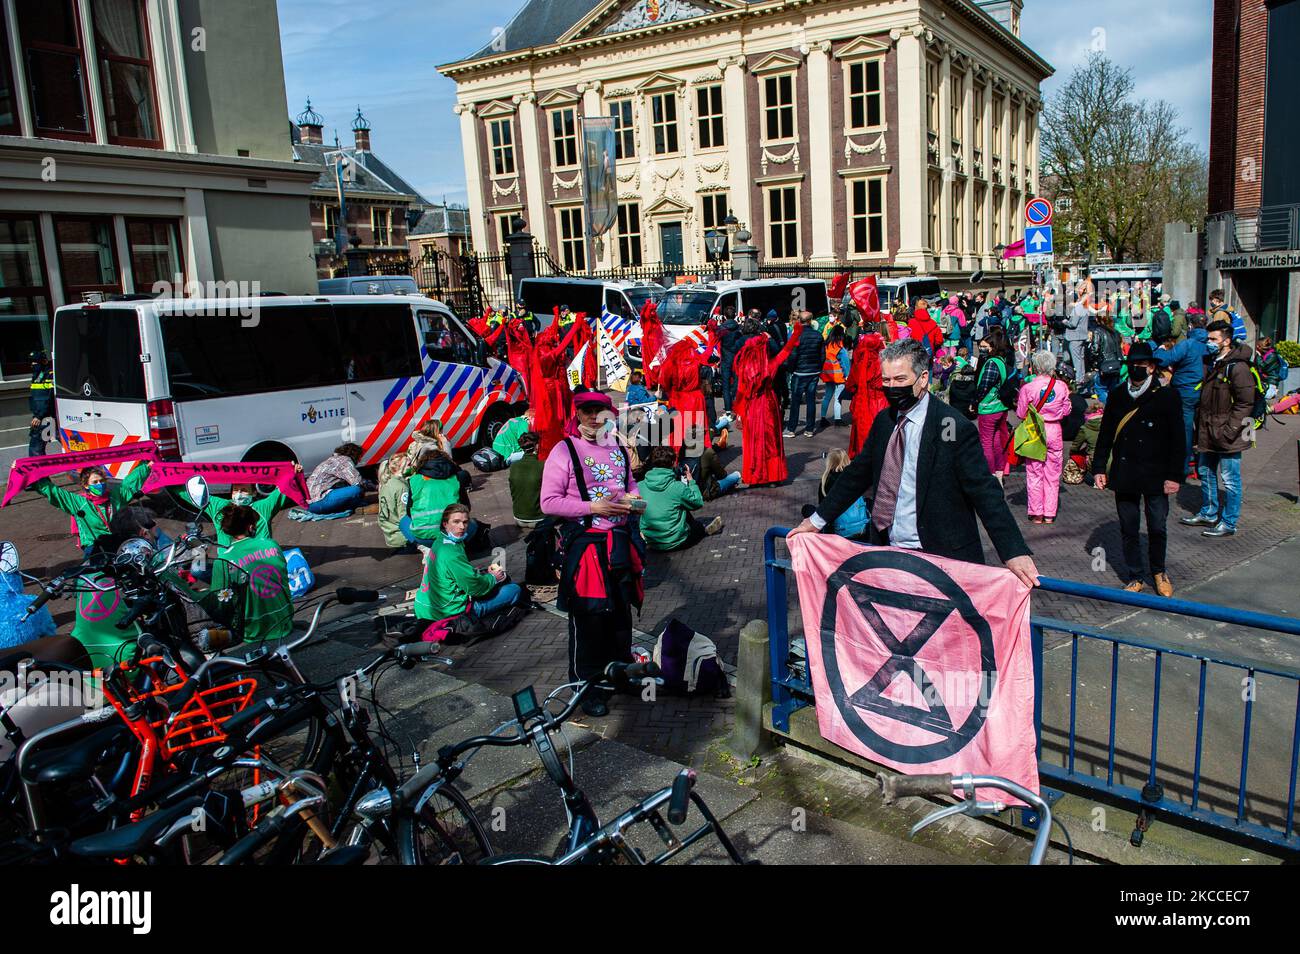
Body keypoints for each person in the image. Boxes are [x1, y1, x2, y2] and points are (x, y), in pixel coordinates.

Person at [788, 339, 1039, 587]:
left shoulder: (951, 426)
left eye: (900, 379)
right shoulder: (884, 421)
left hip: (940, 557)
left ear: (923, 379)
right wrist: (816, 520)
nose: (891, 387)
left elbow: (984, 491)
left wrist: (1013, 550)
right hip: (889, 551)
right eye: (886, 380)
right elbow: (857, 474)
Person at [540, 391, 643, 717]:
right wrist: (592, 507)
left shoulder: (618, 448)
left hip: (619, 543)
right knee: (589, 619)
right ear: (578, 414)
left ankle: (621, 675)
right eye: (587, 412)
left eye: (600, 411)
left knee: (621, 616)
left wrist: (634, 501)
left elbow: (632, 488)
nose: (594, 418)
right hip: (586, 547)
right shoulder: (564, 450)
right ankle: (587, 688)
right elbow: (548, 502)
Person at [1090, 342, 1185, 595]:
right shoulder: (1118, 395)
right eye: (1132, 364)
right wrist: (1099, 468)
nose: (1136, 369)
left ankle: (1159, 572)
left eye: (1141, 365)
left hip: (1156, 472)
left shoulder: (1167, 395)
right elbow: (1106, 434)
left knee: (1157, 526)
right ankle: (1135, 575)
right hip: (1126, 472)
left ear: (1152, 367)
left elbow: (1178, 439)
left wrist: (1175, 476)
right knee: (1129, 528)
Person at [1180, 320, 1256, 538]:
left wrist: (1230, 430)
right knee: (1205, 471)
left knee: (1230, 479)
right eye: (1208, 339)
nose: (1210, 343)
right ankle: (1209, 512)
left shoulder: (1238, 367)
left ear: (1227, 341)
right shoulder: (1214, 363)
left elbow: (1245, 403)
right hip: (1209, 430)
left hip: (1228, 433)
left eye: (1214, 339)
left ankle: (1229, 522)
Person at [415, 503, 527, 625]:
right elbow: (474, 588)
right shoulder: (452, 554)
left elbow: (454, 574)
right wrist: (493, 578)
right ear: (445, 524)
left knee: (485, 576)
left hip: (423, 607)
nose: (462, 527)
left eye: (465, 522)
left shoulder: (439, 541)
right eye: (456, 522)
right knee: (514, 590)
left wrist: (478, 573)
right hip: (447, 613)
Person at [33, 460, 153, 556]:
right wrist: (32, 477)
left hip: (118, 541)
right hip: (95, 546)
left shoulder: (116, 496)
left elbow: (130, 483)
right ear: (86, 485)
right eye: (95, 482)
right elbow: (55, 493)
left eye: (102, 481)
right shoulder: (79, 502)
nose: (100, 484)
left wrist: (147, 465)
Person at [735, 321, 803, 486]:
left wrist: (739, 412)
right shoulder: (769, 366)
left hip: (751, 406)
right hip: (768, 403)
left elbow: (741, 392)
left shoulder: (744, 369)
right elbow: (785, 352)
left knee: (753, 441)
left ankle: (755, 477)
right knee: (771, 441)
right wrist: (795, 335)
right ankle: (773, 477)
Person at [217, 504, 294, 645]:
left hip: (251, 632)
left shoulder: (224, 559)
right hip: (284, 621)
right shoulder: (271, 544)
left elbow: (220, 601)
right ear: (251, 527)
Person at [1015, 350, 1070, 524]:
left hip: (1036, 431)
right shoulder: (1061, 386)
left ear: (1035, 367)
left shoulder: (1028, 388)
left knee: (1034, 473)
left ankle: (1037, 512)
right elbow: (1066, 410)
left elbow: (1020, 413)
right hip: (1054, 430)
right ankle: (1049, 513)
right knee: (1052, 474)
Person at [1155, 311, 1213, 478]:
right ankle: (1203, 468)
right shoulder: (1211, 344)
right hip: (1205, 390)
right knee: (1203, 430)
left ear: (1190, 326)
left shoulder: (1188, 344)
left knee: (1185, 431)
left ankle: (1183, 467)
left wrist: (1159, 350)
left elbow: (1165, 360)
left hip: (1186, 390)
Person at [638, 446, 723, 551]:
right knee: (696, 524)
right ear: (673, 463)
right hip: (676, 541)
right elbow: (698, 502)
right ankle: (703, 529)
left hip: (652, 541)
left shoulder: (640, 486)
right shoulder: (677, 487)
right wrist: (691, 481)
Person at [407, 447, 472, 542]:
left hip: (423, 535)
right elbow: (466, 507)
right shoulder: (456, 478)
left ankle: (417, 545)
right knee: (472, 524)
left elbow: (409, 511)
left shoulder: (414, 480)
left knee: (403, 521)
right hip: (452, 533)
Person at [974, 327, 1014, 478]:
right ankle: (999, 472)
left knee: (986, 443)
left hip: (988, 407)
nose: (981, 349)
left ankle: (989, 474)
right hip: (1000, 407)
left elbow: (984, 386)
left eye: (984, 347)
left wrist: (975, 401)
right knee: (996, 441)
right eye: (980, 346)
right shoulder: (1001, 361)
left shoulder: (991, 363)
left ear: (992, 347)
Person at [846, 331, 887, 457]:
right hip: (882, 402)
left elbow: (850, 385)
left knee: (864, 432)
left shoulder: (859, 361)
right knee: (882, 432)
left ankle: (863, 456)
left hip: (863, 402)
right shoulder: (884, 362)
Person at [784, 312, 823, 437]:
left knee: (795, 401)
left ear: (800, 321)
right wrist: (818, 368)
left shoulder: (797, 336)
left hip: (800, 372)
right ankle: (809, 429)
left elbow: (793, 355)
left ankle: (791, 429)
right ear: (810, 321)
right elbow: (822, 355)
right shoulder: (818, 335)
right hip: (813, 371)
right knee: (811, 400)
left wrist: (791, 369)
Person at [306, 443, 371, 515]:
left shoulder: (333, 460)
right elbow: (358, 482)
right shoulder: (344, 460)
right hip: (319, 502)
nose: (360, 460)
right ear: (355, 455)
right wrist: (376, 486)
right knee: (356, 489)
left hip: (309, 504)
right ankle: (352, 505)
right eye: (360, 457)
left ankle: (350, 505)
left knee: (346, 487)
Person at [508, 431, 545, 529]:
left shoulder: (514, 466)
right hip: (539, 519)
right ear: (537, 446)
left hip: (518, 518)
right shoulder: (543, 465)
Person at [818, 326, 852, 430]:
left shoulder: (826, 345)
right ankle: (838, 419)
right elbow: (845, 363)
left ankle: (823, 418)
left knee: (827, 396)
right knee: (838, 398)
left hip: (828, 375)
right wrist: (848, 375)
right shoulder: (840, 348)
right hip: (839, 376)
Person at [27, 351, 54, 457]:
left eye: (35, 361)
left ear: (44, 361)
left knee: (36, 449)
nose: (32, 364)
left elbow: (50, 399)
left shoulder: (50, 375)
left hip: (49, 418)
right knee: (36, 448)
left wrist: (39, 416)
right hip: (41, 418)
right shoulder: (37, 377)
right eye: (31, 362)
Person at [1063, 300, 1090, 384]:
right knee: (1081, 359)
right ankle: (1082, 378)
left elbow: (1073, 324)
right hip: (1082, 336)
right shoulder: (1084, 308)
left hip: (1075, 337)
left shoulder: (1077, 308)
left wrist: (1065, 321)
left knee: (1077, 360)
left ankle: (1079, 379)